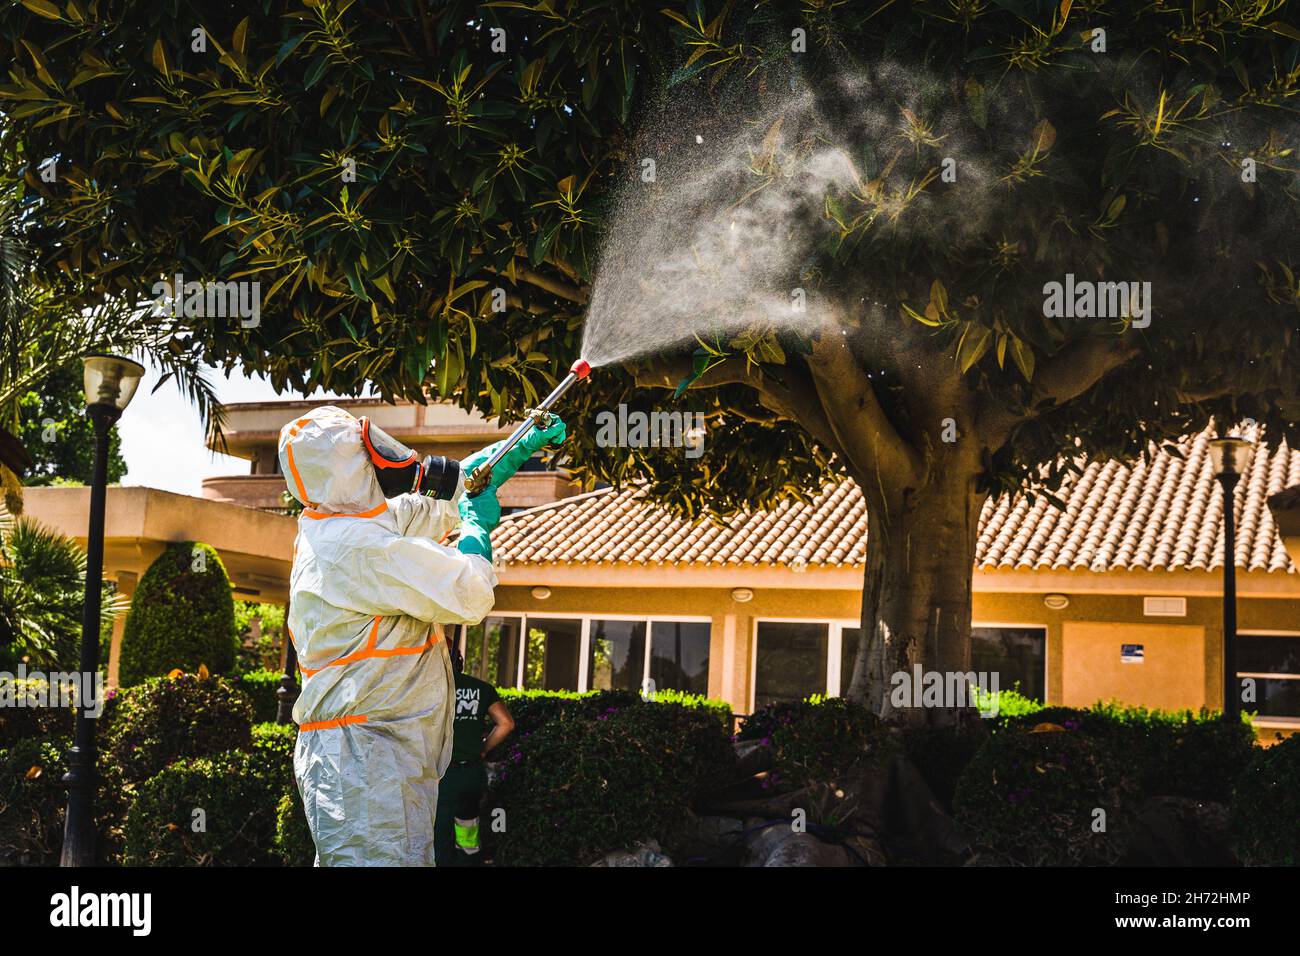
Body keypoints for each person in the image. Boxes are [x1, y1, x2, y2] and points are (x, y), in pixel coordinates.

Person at [277, 404, 564, 866]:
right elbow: (469, 594)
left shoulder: (346, 522)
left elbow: (447, 496)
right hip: (365, 760)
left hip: (378, 752)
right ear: (349, 472)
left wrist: (518, 446)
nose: (386, 459)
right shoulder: (356, 549)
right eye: (370, 453)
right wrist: (476, 529)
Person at [433, 639, 515, 865]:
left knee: (440, 836)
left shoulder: (429, 690)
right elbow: (506, 723)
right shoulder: (482, 688)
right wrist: (482, 749)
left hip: (442, 776)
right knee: (467, 831)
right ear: (459, 659)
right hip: (472, 774)